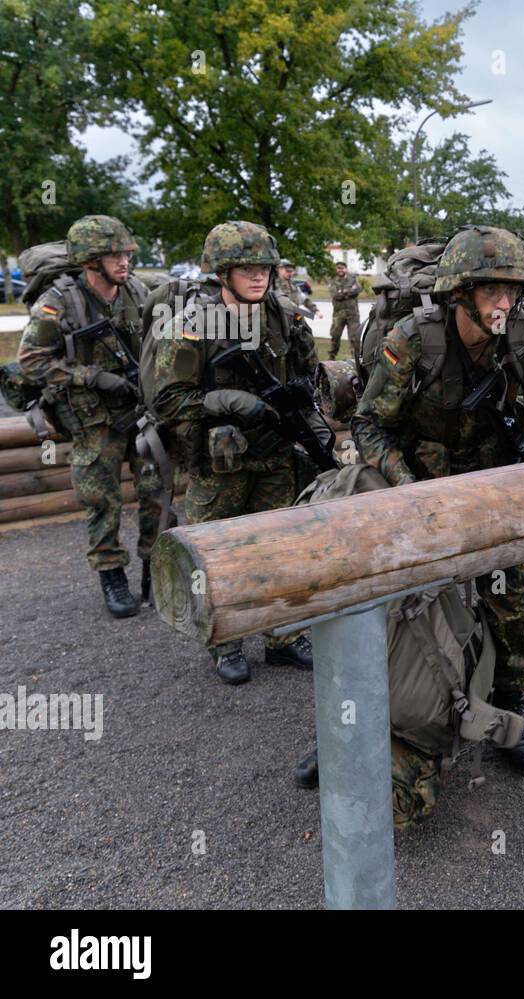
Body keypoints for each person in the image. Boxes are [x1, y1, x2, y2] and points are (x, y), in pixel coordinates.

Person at [351, 224, 524, 775]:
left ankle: (509, 710)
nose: (505, 303)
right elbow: (368, 424)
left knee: (510, 602)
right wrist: (407, 488)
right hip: (422, 489)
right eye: (491, 292)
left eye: (513, 292)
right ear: (460, 292)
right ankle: (371, 719)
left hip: (497, 487)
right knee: (398, 609)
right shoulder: (414, 339)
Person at [149, 221, 321, 684]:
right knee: (218, 554)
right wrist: (223, 401)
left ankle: (283, 636)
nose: (258, 275)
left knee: (278, 548)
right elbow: (165, 400)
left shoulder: (286, 316)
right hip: (218, 461)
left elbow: (311, 378)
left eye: (263, 266)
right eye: (244, 268)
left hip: (277, 455)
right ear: (221, 273)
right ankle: (224, 642)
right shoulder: (191, 324)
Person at [17, 215, 165, 617]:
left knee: (156, 490)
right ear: (89, 261)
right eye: (113, 255)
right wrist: (91, 376)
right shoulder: (60, 300)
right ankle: (111, 574)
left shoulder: (136, 290)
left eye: (126, 253)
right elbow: (30, 361)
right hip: (92, 418)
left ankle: (157, 567)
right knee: (102, 499)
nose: (124, 261)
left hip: (139, 410)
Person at [326, 260, 362, 360]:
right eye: (338, 268)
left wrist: (343, 292)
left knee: (354, 337)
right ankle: (332, 357)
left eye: (342, 268)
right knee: (335, 336)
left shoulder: (353, 279)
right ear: (336, 270)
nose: (340, 270)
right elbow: (336, 295)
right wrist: (350, 291)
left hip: (353, 314)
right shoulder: (333, 281)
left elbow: (358, 289)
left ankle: (355, 359)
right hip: (338, 314)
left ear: (346, 269)